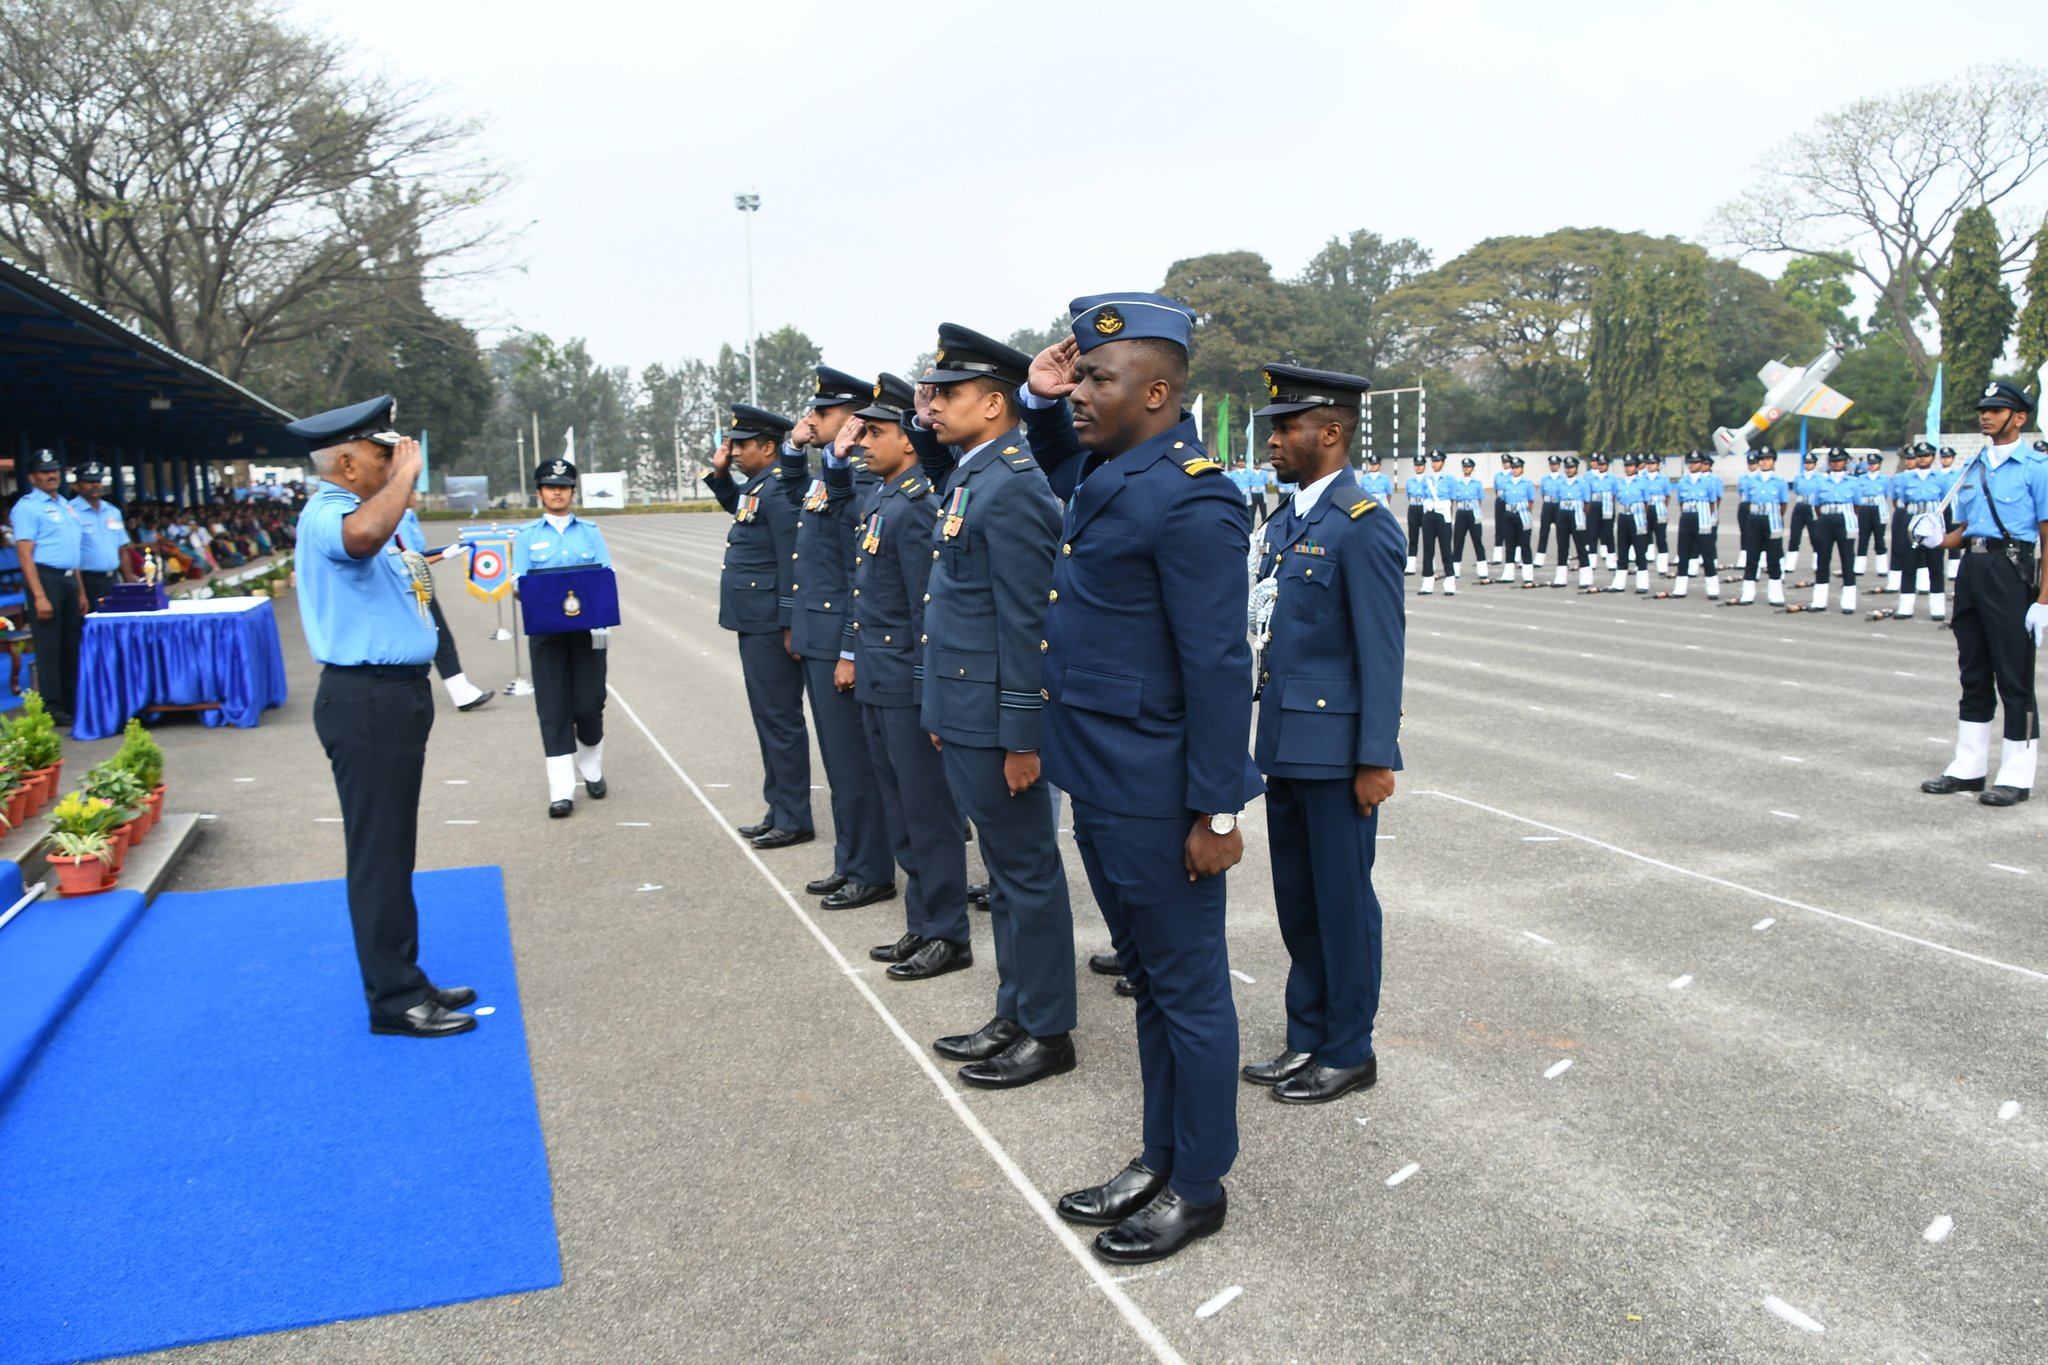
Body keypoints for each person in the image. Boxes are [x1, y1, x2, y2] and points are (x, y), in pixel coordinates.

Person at [1022, 295, 1264, 1265]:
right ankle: (1158, 1154)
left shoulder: (1194, 495)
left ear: (1157, 392)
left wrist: (1215, 809)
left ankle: (1197, 1185)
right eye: (1077, 374)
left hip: (1158, 793)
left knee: (1187, 990)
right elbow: (1053, 462)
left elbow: (1216, 665)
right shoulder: (1113, 471)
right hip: (1101, 778)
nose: (1079, 391)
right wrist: (1042, 398)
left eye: (1097, 379)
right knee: (1154, 993)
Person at [905, 324, 1075, 1090]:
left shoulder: (1013, 486)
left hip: (997, 722)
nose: (932, 406)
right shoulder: (977, 473)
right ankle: (1015, 1007)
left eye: (949, 394)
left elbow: (1027, 623)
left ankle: (1047, 1028)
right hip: (965, 711)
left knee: (1027, 873)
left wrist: (1021, 737)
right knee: (1005, 876)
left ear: (995, 403)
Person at [1240, 361, 1403, 1117]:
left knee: (1343, 903)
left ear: (1330, 433)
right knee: (1299, 904)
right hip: (1284, 741)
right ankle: (1307, 1032)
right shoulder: (1286, 521)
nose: (1274, 439)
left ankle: (1349, 1048)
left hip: (1338, 754)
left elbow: (1381, 652)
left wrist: (1376, 758)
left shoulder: (1363, 526)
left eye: (1287, 426)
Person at [289, 395, 474, 1038]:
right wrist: (404, 478)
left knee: (395, 851)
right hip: (365, 698)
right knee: (378, 854)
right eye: (380, 453)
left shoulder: (371, 512)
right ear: (345, 462)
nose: (393, 462)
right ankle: (392, 1000)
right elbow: (361, 539)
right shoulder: (328, 513)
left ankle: (406, 976)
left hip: (394, 696)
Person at [843, 375, 972, 979]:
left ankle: (947, 930)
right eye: (864, 430)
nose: (864, 442)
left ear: (910, 441)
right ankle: (922, 921)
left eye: (877, 431)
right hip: (877, 674)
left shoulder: (918, 505)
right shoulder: (882, 497)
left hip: (905, 681)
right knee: (899, 808)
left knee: (928, 810)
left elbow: (929, 610)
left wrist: (928, 693)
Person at [782, 365, 895, 908]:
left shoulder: (866, 482)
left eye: (823, 414)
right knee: (839, 761)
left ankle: (871, 869)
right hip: (819, 636)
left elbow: (861, 576)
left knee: (854, 766)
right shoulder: (833, 477)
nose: (812, 419)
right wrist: (798, 449)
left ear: (852, 420)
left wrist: (849, 647)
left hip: (839, 643)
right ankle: (850, 859)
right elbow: (790, 497)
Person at [1916, 382, 2048, 806]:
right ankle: (1968, 766)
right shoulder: (1972, 468)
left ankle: (2016, 773)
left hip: (2011, 572)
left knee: (2014, 676)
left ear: (2020, 418)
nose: (1986, 416)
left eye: (1997, 409)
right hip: (1972, 570)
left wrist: (2044, 602)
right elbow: (1965, 531)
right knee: (1973, 671)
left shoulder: (2037, 468)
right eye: (1983, 409)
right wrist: (1938, 539)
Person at [707, 404, 814, 849]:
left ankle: (793, 817)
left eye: (741, 445)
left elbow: (794, 557)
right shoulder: (759, 487)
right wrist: (719, 477)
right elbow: (740, 510)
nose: (732, 451)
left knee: (780, 720)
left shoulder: (777, 490)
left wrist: (790, 624)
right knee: (768, 719)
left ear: (769, 447)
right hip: (755, 619)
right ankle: (779, 807)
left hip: (772, 622)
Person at [512, 458, 612, 816]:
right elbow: (516, 580)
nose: (557, 492)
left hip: (587, 632)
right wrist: (524, 591)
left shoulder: (590, 532)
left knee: (588, 704)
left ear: (572, 491)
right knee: (552, 710)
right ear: (539, 493)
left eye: (564, 486)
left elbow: (606, 572)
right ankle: (561, 791)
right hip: (547, 633)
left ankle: (592, 769)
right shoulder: (526, 537)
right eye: (550, 486)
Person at [10, 449, 88, 723]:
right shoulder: (27, 507)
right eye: (45, 472)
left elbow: (72, 549)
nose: (51, 475)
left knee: (71, 644)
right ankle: (53, 707)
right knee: (49, 646)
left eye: (54, 470)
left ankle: (71, 701)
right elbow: (24, 554)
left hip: (68, 578)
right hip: (45, 579)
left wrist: (79, 589)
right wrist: (39, 595)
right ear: (32, 477)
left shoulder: (65, 505)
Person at [398, 490, 493, 713]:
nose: (416, 494)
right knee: (439, 639)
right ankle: (460, 692)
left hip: (416, 586)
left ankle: (461, 692)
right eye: (411, 489)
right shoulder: (399, 519)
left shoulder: (407, 516)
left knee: (437, 639)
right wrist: (443, 555)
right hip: (412, 588)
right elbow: (410, 560)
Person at [67, 462, 133, 609]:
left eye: (98, 481)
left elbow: (121, 549)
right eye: (89, 482)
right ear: (76, 485)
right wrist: (80, 592)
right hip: (87, 581)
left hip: (112, 580)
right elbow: (72, 554)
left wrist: (129, 583)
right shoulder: (70, 512)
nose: (95, 485)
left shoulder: (112, 511)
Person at [1667, 450, 1721, 601]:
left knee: (1707, 552)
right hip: (1687, 516)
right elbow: (1680, 502)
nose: (1693, 465)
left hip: (1703, 517)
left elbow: (1712, 503)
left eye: (1696, 462)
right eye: (1691, 462)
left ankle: (1712, 588)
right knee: (1683, 552)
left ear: (1702, 464)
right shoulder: (1683, 481)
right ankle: (1680, 587)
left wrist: (1707, 519)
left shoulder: (1709, 482)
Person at [1737, 447, 1787, 606]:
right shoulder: (1751, 481)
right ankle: (1748, 593)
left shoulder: (1780, 482)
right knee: (1752, 556)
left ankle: (1776, 594)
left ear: (1774, 461)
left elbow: (1783, 505)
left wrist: (1775, 517)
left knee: (1774, 556)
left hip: (1772, 518)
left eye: (1768, 459)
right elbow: (1747, 501)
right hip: (1754, 518)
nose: (1764, 462)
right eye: (1762, 459)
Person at [1413, 450, 1454, 595]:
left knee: (1446, 550)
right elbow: (1424, 496)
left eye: (1437, 461)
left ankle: (1449, 582)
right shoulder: (1427, 480)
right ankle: (1427, 583)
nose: (1435, 464)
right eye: (1433, 461)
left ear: (1442, 462)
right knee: (1428, 550)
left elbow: (1452, 499)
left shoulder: (1449, 480)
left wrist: (1450, 518)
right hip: (1429, 515)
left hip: (1443, 515)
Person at [1495, 456, 1535, 585]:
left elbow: (1531, 501)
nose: (1515, 470)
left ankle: (1528, 575)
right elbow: (1503, 499)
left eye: (1517, 467)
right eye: (1513, 467)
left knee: (1525, 545)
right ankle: (1508, 574)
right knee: (1510, 545)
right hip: (1509, 515)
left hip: (1523, 515)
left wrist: (1526, 513)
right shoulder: (1506, 483)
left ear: (1522, 469)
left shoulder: (1527, 484)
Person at [1450, 456, 1488, 584]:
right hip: (1461, 512)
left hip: (1473, 512)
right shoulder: (1457, 483)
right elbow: (1454, 500)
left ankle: (1482, 570)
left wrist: (1476, 512)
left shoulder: (1477, 484)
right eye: (1464, 467)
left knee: (1477, 540)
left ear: (1472, 468)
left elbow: (1480, 500)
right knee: (1458, 540)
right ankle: (1455, 568)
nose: (1466, 469)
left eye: (1469, 467)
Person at [1535, 453, 1564, 571]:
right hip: (1547, 505)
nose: (1553, 466)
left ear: (1559, 465)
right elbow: (1542, 494)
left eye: (1555, 464)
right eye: (1552, 464)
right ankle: (1540, 558)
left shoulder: (1563, 479)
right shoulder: (1544, 479)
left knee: (1561, 533)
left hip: (1559, 505)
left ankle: (1563, 556)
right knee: (1543, 532)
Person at [1401, 453, 1426, 576]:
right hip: (1413, 508)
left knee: (1427, 537)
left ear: (1424, 466)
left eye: (1421, 465)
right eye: (1416, 465)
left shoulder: (1429, 480)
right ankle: (1411, 565)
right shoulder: (1410, 481)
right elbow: (1408, 496)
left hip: (1425, 508)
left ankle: (1429, 563)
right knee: (1413, 537)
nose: (1418, 467)